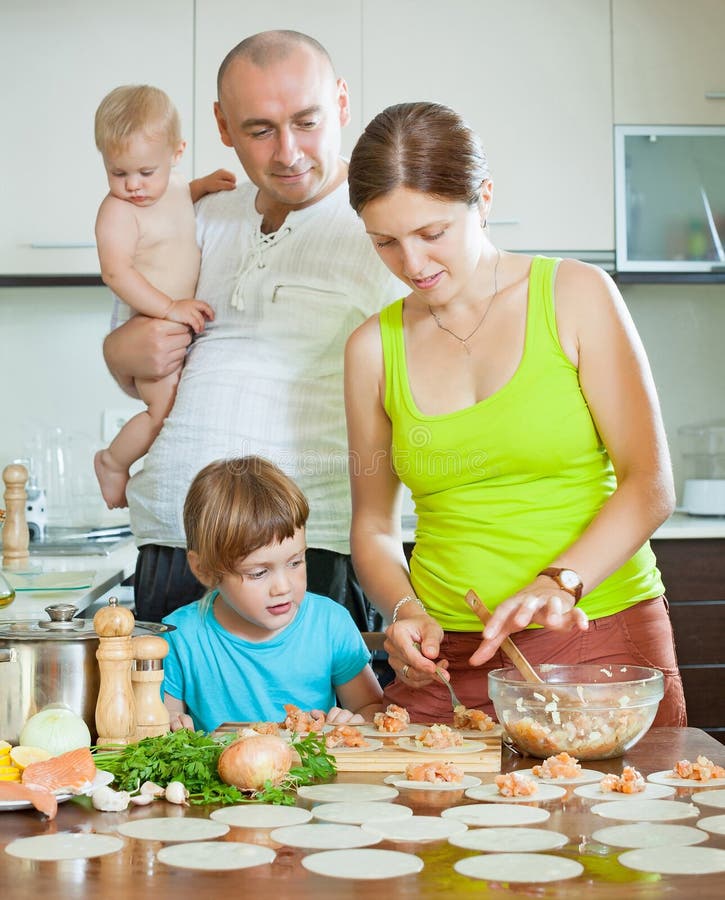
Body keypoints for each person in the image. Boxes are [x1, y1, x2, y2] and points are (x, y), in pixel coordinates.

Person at [344, 101, 687, 726]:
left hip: (597, 636)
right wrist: (402, 610)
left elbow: (650, 484)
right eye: (386, 243)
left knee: (615, 822)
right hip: (444, 661)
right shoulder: (372, 349)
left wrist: (561, 582)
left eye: (433, 233)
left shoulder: (576, 295)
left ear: (484, 199)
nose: (412, 264)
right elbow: (372, 527)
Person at [101, 32, 403, 624]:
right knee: (164, 721)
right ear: (221, 124)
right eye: (260, 130)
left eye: (307, 122)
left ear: (342, 104)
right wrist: (121, 350)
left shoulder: (385, 230)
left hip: (309, 554)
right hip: (172, 540)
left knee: (318, 722)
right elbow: (126, 364)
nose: (288, 152)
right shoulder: (200, 214)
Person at [162, 455, 383, 733]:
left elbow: (372, 709)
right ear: (204, 569)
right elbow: (160, 725)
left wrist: (356, 721)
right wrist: (168, 726)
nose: (283, 587)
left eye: (295, 562)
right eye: (258, 573)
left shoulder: (330, 624)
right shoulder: (177, 637)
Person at [92, 84, 236, 509]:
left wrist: (202, 185)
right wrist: (169, 308)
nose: (134, 186)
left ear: (177, 152)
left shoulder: (171, 185)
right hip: (143, 322)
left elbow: (176, 201)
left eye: (145, 172)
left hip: (171, 324)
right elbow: (116, 271)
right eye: (118, 174)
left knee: (177, 407)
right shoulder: (117, 211)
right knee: (163, 412)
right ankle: (114, 462)